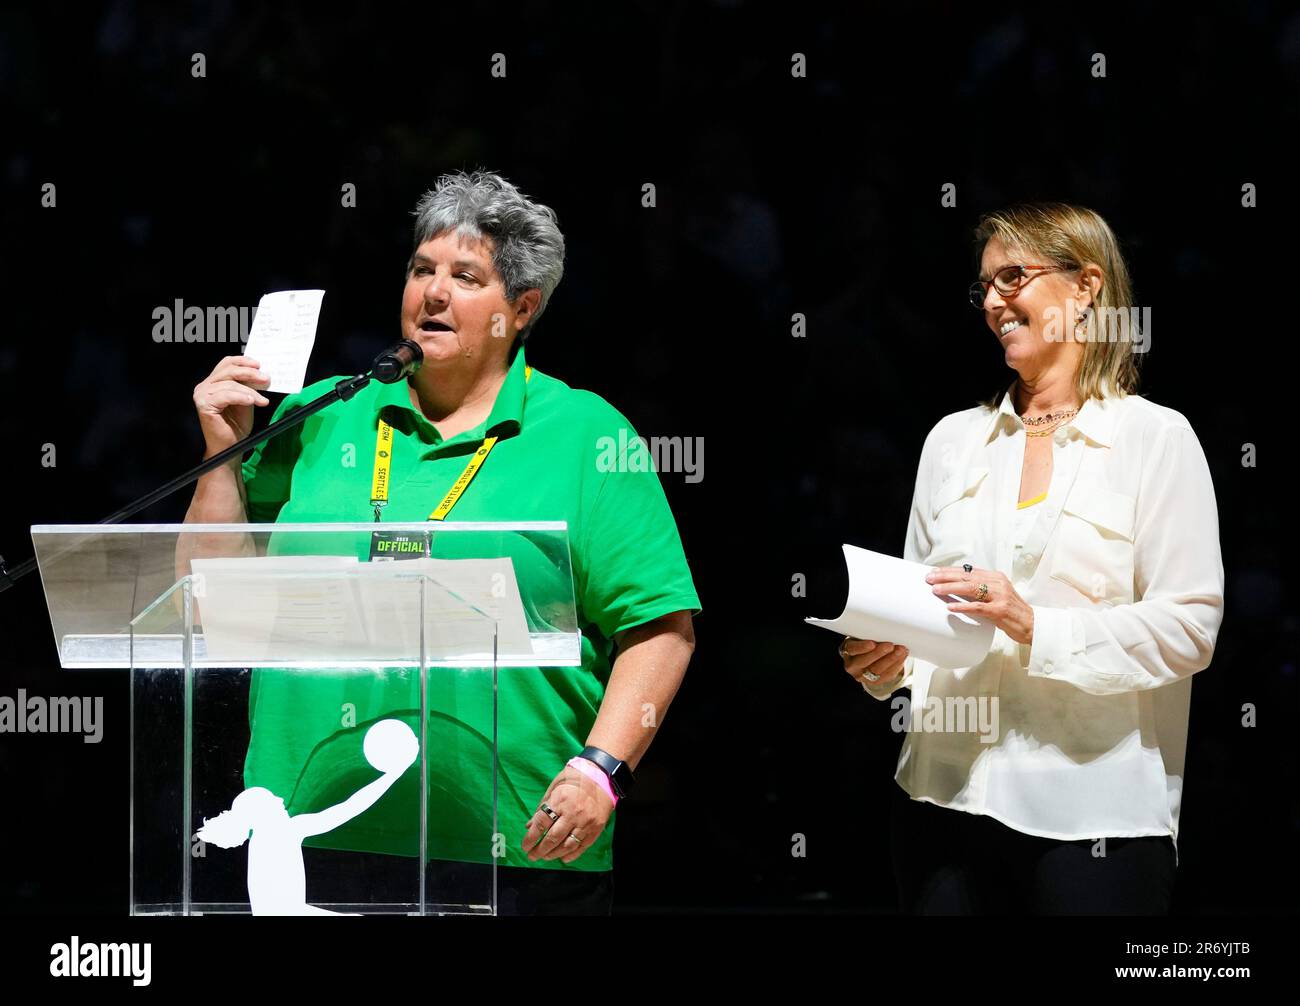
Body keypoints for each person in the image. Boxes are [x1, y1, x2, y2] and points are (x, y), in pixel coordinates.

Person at [183, 170, 700, 915]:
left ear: (521, 308)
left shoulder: (587, 436)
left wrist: (600, 770)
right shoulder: (323, 416)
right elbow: (209, 607)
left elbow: (660, 629)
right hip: (306, 839)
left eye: (465, 276)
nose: (433, 292)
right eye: (422, 270)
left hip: (518, 843)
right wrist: (222, 455)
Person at [839, 202, 1223, 914]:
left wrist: (1033, 624)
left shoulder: (1155, 439)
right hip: (939, 804)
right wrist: (890, 659)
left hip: (1091, 818)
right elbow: (929, 628)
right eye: (983, 287)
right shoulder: (950, 442)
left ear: (1086, 286)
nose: (992, 302)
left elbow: (1189, 628)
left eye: (1012, 277)